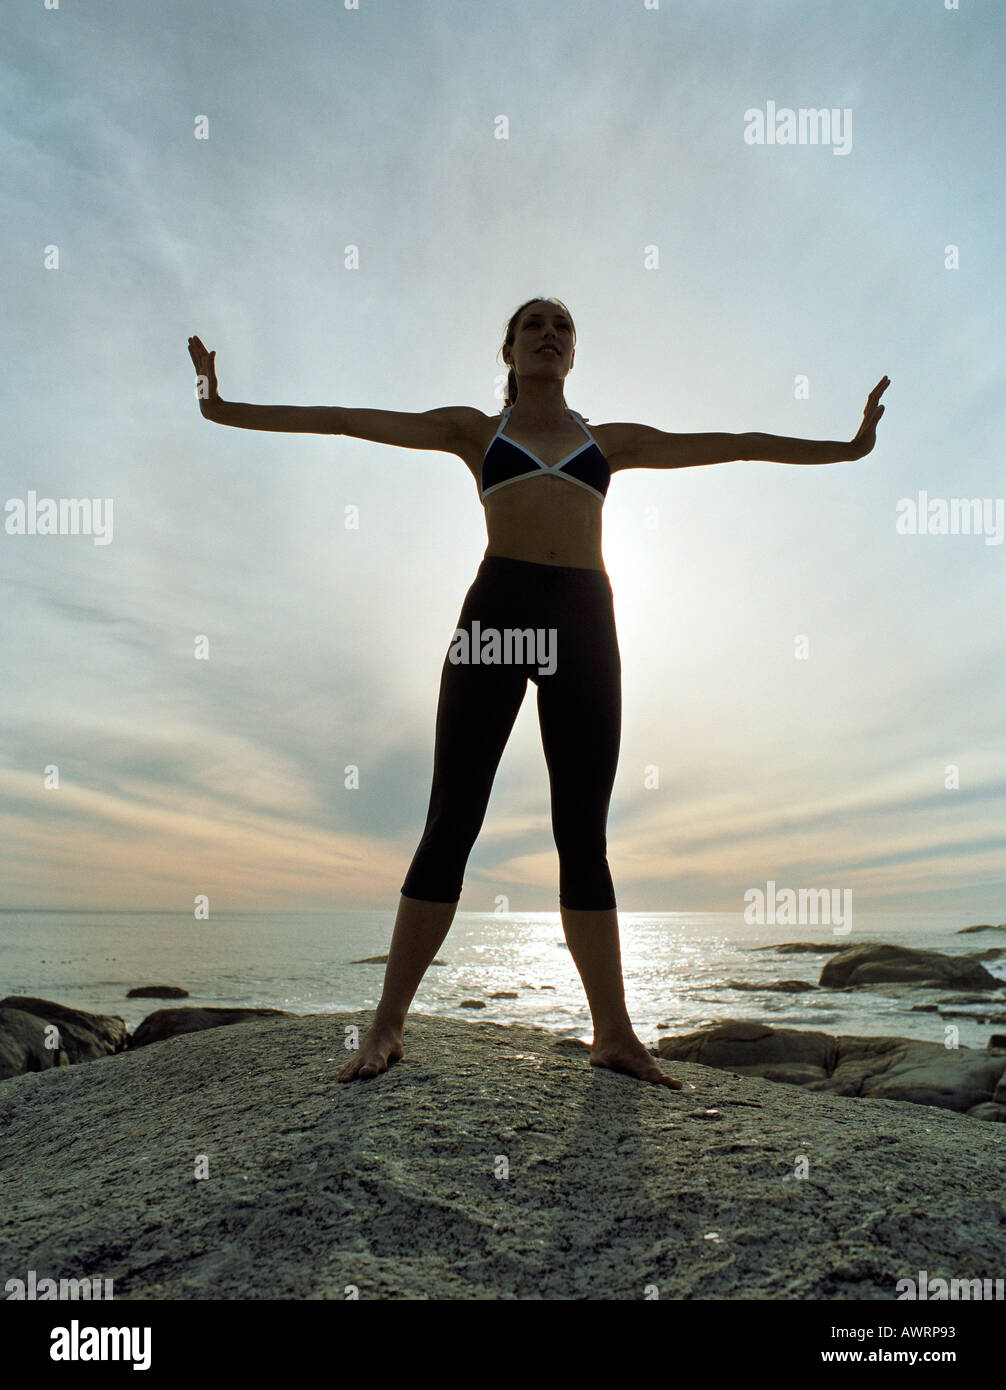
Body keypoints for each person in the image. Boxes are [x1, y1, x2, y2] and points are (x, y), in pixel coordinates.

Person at [187, 300, 888, 1090]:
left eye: (563, 328)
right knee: (452, 817)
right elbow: (343, 419)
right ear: (509, 351)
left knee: (582, 835)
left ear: (574, 355)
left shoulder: (609, 442)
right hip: (498, 614)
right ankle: (386, 1026)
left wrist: (850, 447)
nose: (549, 335)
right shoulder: (472, 432)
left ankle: (614, 1033)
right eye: (534, 327)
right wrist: (222, 407)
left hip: (584, 620)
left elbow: (740, 446)